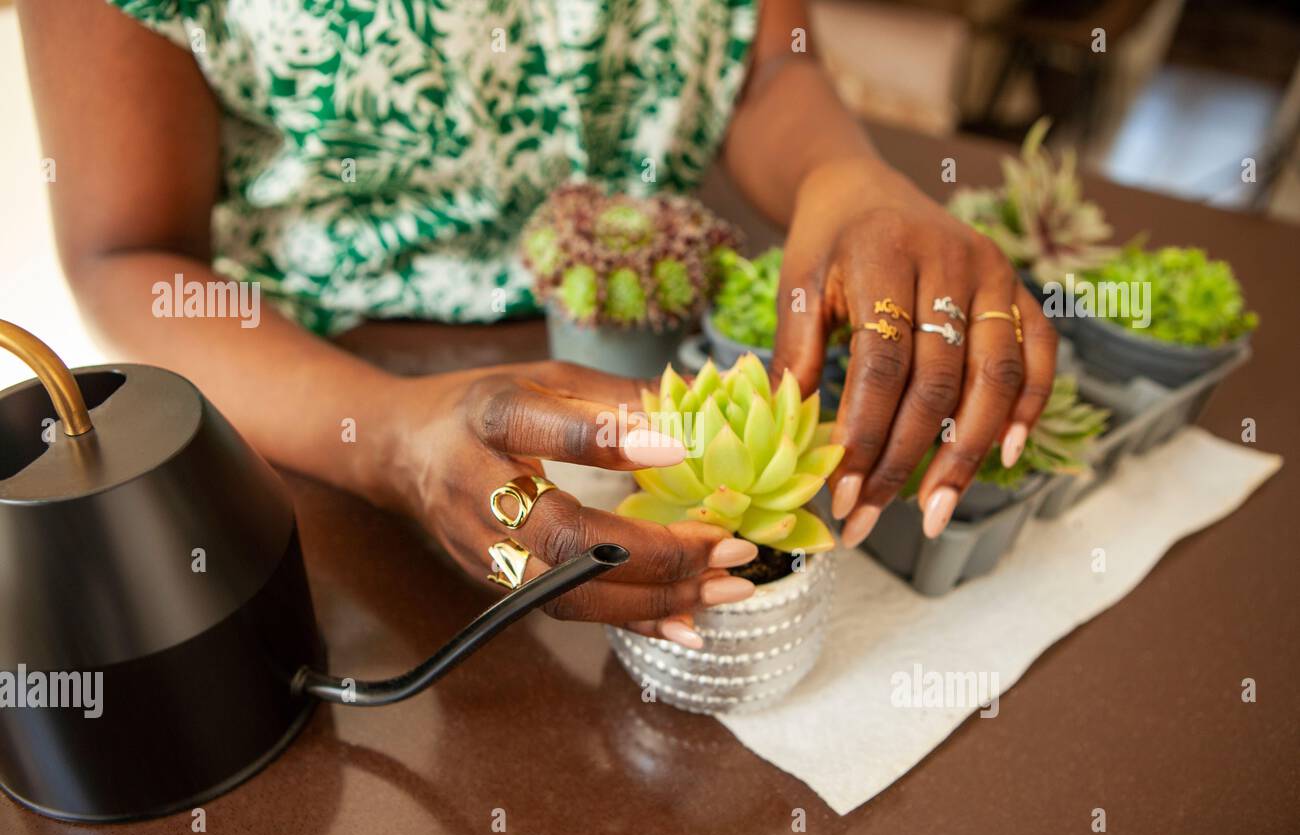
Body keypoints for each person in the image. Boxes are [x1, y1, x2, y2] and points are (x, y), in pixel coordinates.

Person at [17, 0, 1056, 648]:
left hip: (664, 303)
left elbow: (767, 58)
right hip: (314, 396)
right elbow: (128, 249)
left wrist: (845, 174)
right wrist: (387, 440)